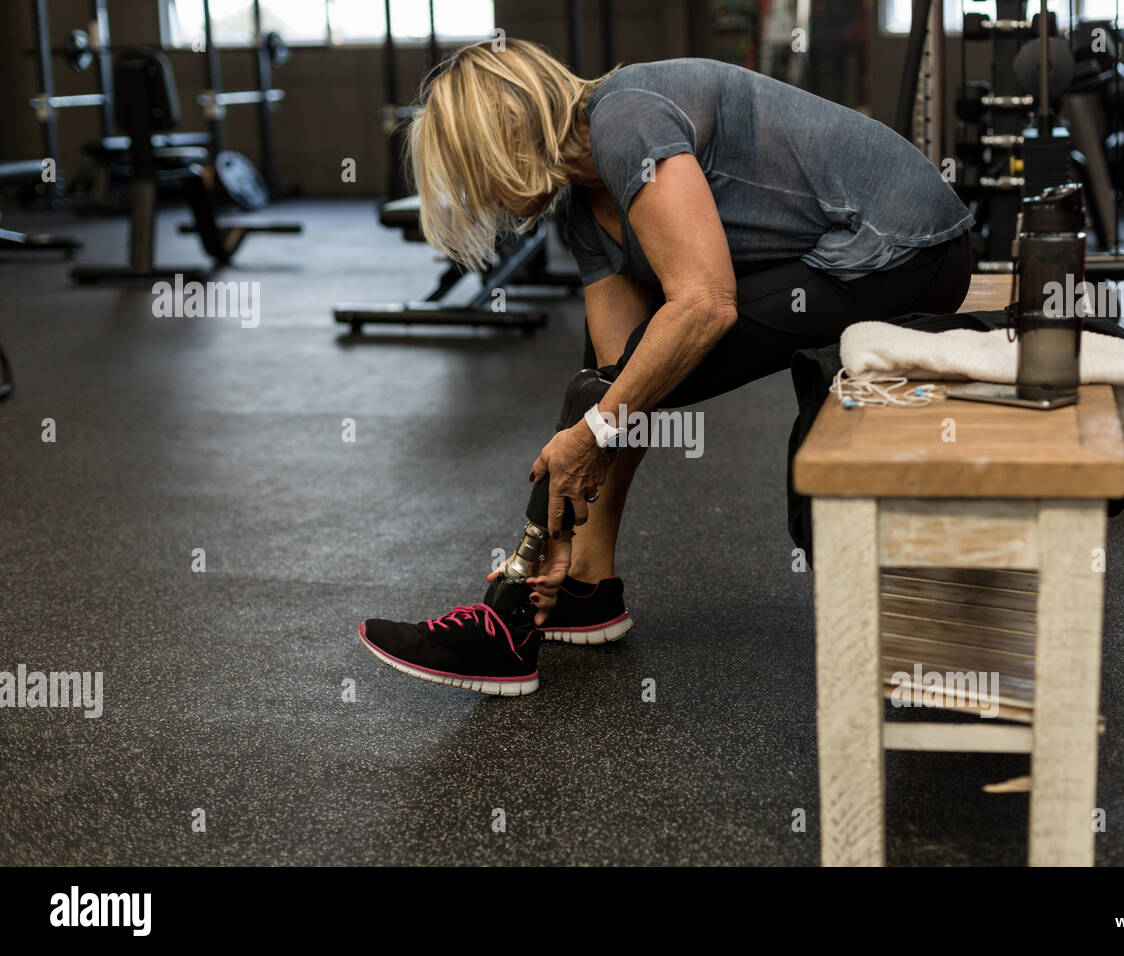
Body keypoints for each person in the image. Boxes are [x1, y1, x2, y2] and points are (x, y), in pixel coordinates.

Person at [358, 38, 974, 695]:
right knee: (611, 382)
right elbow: (615, 374)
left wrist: (593, 430)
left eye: (470, 164)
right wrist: (592, 435)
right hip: (841, 256)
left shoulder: (626, 119)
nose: (476, 193)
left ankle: (510, 618)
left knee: (621, 389)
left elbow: (705, 305)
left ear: (508, 127)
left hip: (907, 248)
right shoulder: (583, 213)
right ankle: (584, 585)